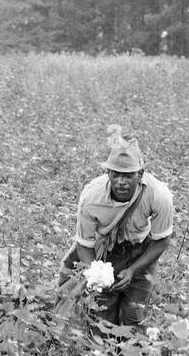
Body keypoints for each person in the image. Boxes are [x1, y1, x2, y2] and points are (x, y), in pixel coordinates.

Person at [61, 137, 174, 327]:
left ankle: (131, 355)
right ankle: (103, 354)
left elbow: (162, 240)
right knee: (101, 316)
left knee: (134, 315)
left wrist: (132, 270)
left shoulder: (158, 195)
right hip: (105, 250)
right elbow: (84, 244)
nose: (121, 182)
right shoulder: (91, 197)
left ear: (140, 174)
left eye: (128, 176)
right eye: (116, 174)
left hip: (142, 250)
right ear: (108, 173)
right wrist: (96, 273)